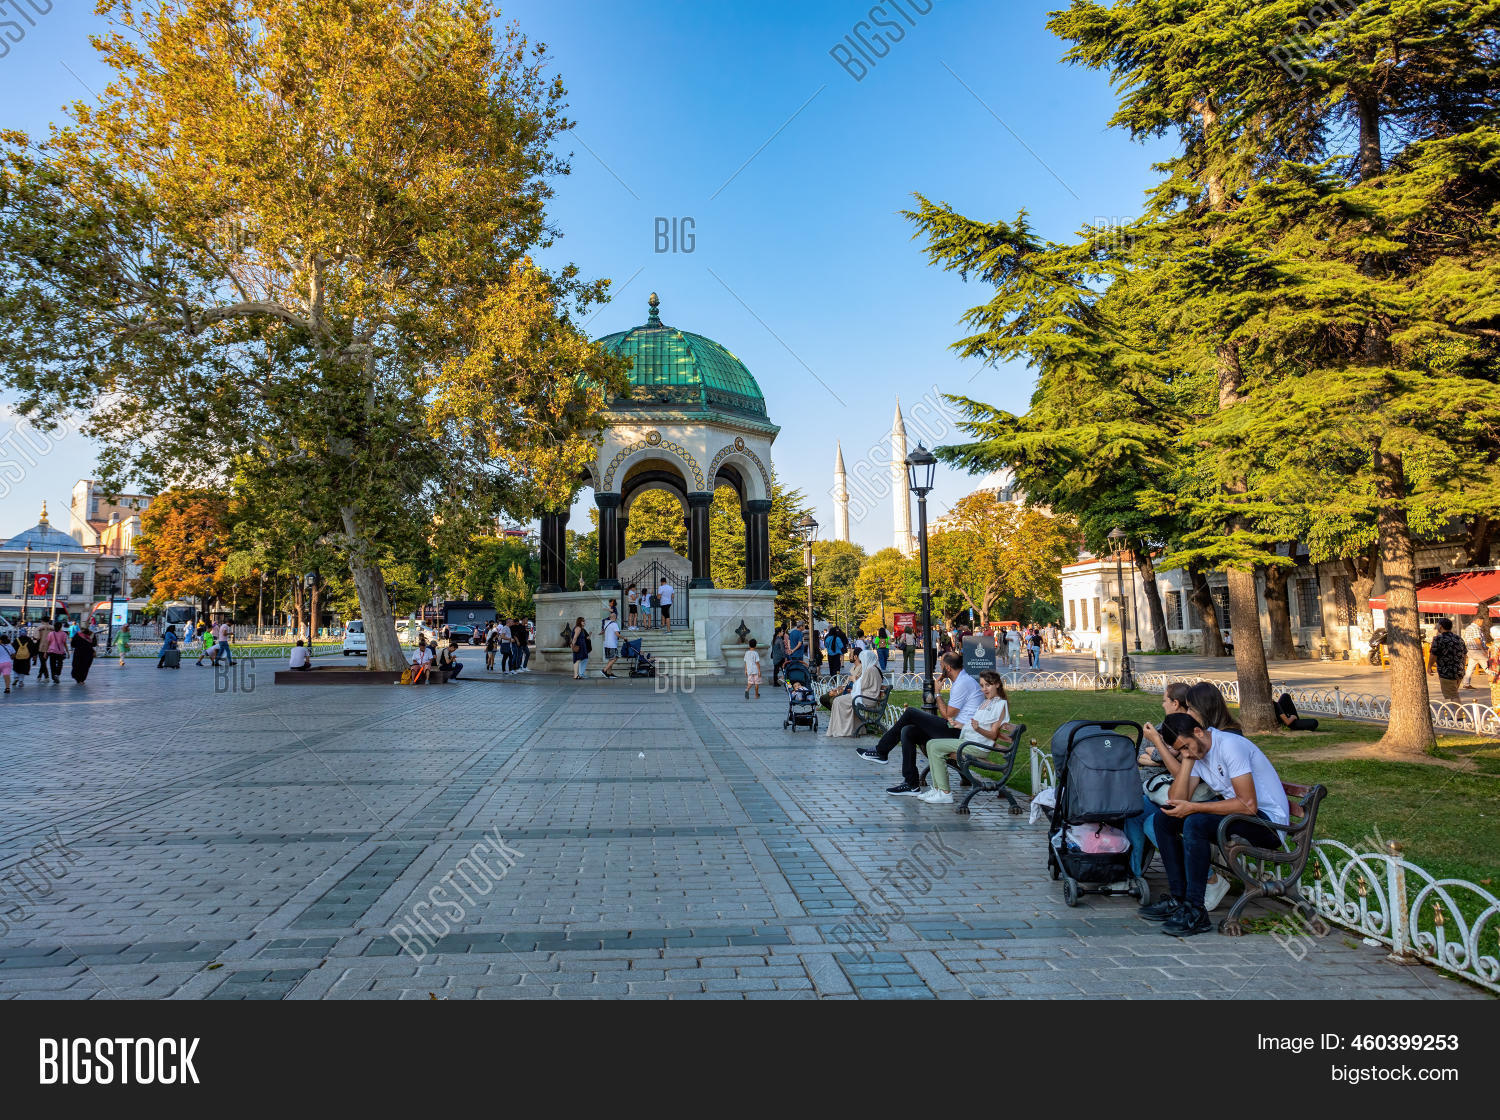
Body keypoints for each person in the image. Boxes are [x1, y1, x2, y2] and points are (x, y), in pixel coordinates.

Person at [1138, 711, 1290, 937]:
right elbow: (1176, 799)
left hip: (1269, 824)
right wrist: (1187, 761)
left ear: (1198, 731)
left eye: (1186, 746)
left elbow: (1247, 804)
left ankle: (1195, 909)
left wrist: (1195, 807)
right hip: (1242, 817)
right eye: (1180, 750)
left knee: (1196, 822)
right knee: (1164, 819)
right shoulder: (1196, 753)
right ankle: (1178, 899)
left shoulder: (1229, 746)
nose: (1186, 753)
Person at [857, 651, 983, 795]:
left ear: (948, 668)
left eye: (941, 664)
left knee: (910, 713)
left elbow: (948, 714)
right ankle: (911, 784)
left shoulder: (962, 683)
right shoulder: (962, 680)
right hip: (956, 728)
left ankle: (881, 751)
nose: (939, 667)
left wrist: (937, 693)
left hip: (961, 734)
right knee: (908, 731)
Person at [920, 670, 1012, 805]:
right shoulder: (986, 702)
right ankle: (938, 789)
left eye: (988, 685)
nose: (984, 689)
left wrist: (978, 728)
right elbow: (977, 725)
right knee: (931, 744)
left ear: (997, 684)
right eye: (982, 685)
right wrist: (960, 725)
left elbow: (992, 734)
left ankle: (945, 793)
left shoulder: (1000, 705)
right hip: (971, 742)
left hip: (978, 746)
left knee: (935, 746)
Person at [825, 649, 885, 737]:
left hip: (867, 698)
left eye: (862, 659)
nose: (861, 662)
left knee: (838, 701)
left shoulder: (870, 669)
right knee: (838, 700)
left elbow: (862, 685)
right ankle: (852, 728)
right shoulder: (873, 669)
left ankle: (843, 729)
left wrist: (854, 679)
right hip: (866, 696)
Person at [1427, 618, 1467, 701]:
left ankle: (1459, 709)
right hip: (1459, 671)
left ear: (1440, 627)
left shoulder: (1438, 639)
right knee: (1454, 692)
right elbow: (1464, 654)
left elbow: (1433, 654)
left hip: (1447, 672)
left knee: (1453, 695)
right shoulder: (1458, 638)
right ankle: (1457, 708)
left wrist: (1429, 666)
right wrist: (1462, 667)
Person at [1461, 615, 1490, 689]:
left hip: (1471, 651)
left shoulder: (1468, 628)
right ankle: (1496, 680)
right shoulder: (1475, 628)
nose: (1482, 623)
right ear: (1478, 620)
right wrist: (1483, 650)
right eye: (1482, 622)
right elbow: (1477, 640)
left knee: (1470, 668)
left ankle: (1466, 684)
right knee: (1487, 667)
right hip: (1478, 651)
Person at [44, 620, 68, 684]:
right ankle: (57, 674)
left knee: (52, 664)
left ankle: (54, 676)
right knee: (60, 664)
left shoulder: (51, 633)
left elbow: (48, 643)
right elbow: (64, 643)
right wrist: (67, 652)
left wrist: (45, 652)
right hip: (60, 652)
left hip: (51, 651)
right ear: (61, 627)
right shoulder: (63, 634)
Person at [601, 612, 621, 678]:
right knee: (614, 658)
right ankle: (604, 670)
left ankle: (609, 673)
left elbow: (602, 632)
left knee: (610, 659)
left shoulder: (606, 623)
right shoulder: (614, 624)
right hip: (612, 644)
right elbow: (617, 634)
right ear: (615, 617)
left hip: (606, 644)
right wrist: (624, 638)